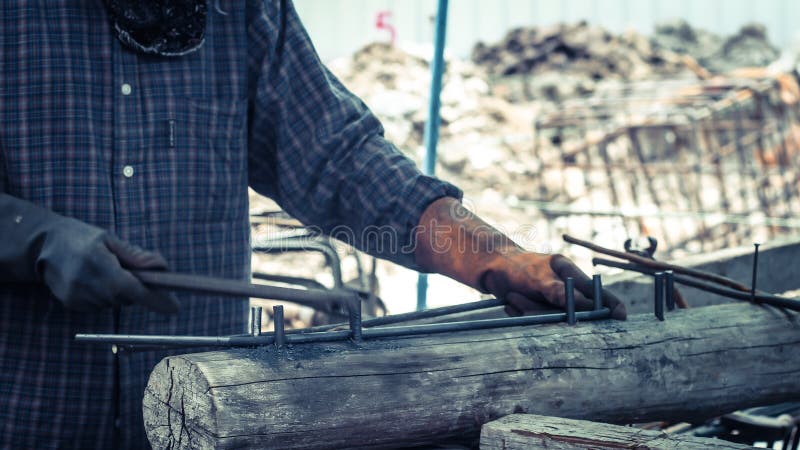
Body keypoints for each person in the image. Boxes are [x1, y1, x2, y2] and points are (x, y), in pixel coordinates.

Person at [0, 1, 625, 448]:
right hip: (31, 409)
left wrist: (494, 258)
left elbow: (340, 158)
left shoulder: (239, 12)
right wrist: (33, 236)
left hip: (202, 419)